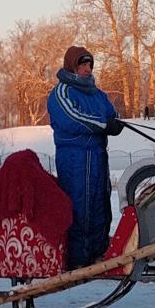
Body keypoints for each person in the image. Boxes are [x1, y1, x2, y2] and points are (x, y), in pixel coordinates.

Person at [47, 46, 123, 266]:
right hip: (75, 158)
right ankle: (78, 257)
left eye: (90, 65)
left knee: (100, 203)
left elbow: (111, 113)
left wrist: (116, 122)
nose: (88, 69)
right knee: (80, 205)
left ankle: (98, 251)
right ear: (73, 66)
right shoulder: (62, 92)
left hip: (98, 155)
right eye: (83, 65)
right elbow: (73, 118)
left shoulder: (97, 93)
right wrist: (103, 125)